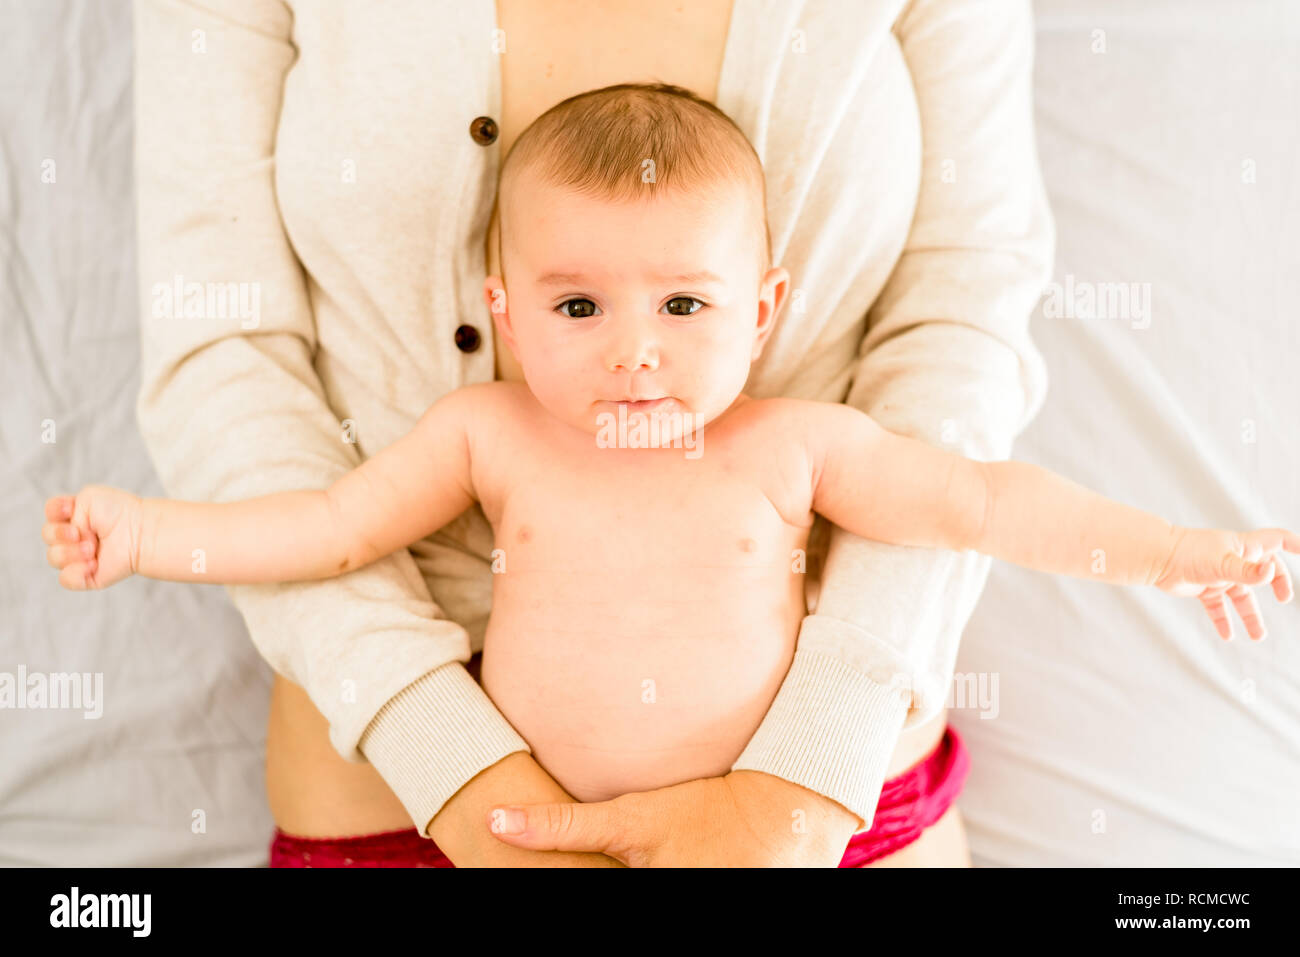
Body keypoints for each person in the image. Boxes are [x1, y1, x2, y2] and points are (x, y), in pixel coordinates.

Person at [130, 0, 1053, 866]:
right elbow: (221, 350)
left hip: (823, 806)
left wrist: (809, 772)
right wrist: (440, 749)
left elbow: (964, 321)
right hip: (396, 796)